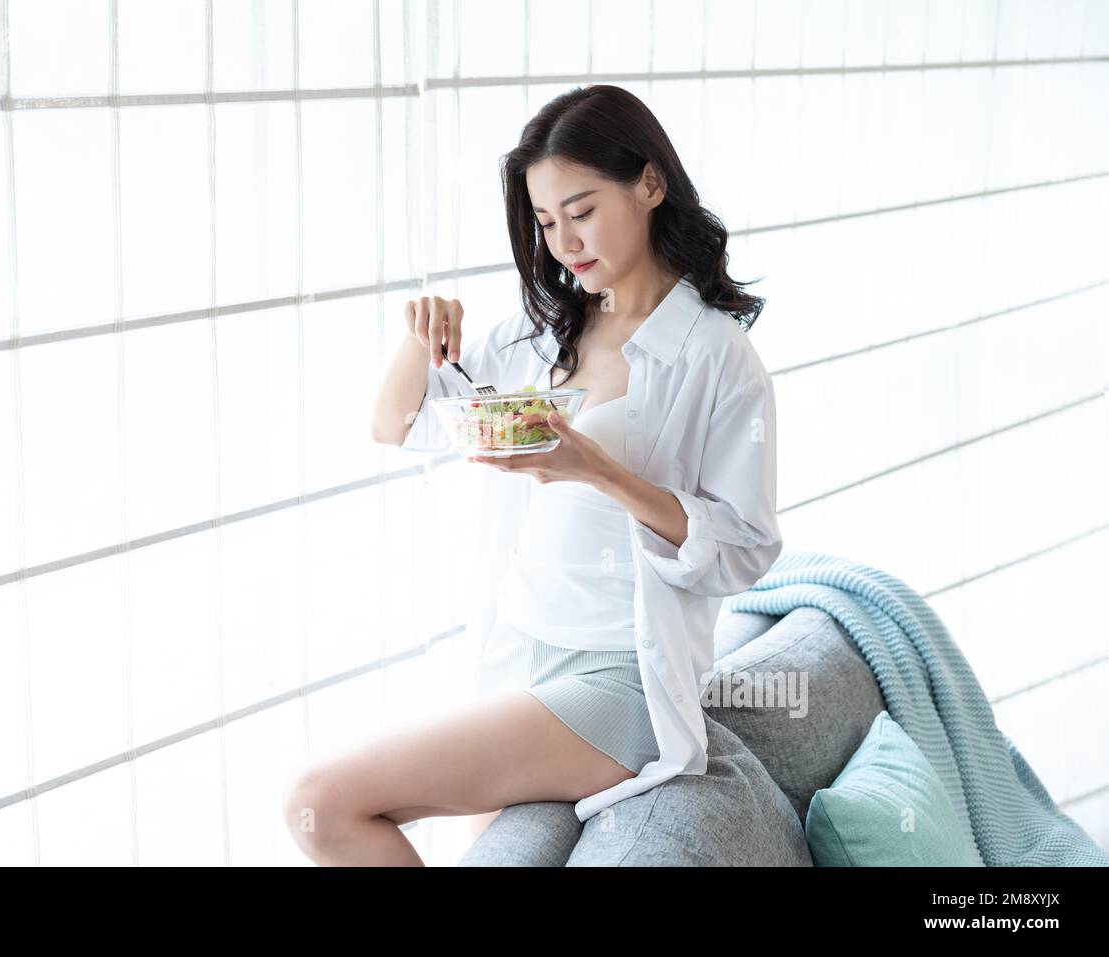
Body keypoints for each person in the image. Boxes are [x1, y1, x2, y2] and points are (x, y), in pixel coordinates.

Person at [284, 84, 781, 866]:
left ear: (650, 185)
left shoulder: (716, 355)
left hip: (622, 675)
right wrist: (422, 337)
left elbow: (745, 546)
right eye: (546, 222)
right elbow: (396, 423)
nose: (563, 243)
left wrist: (594, 468)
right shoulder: (542, 329)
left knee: (321, 800)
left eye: (581, 212)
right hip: (514, 652)